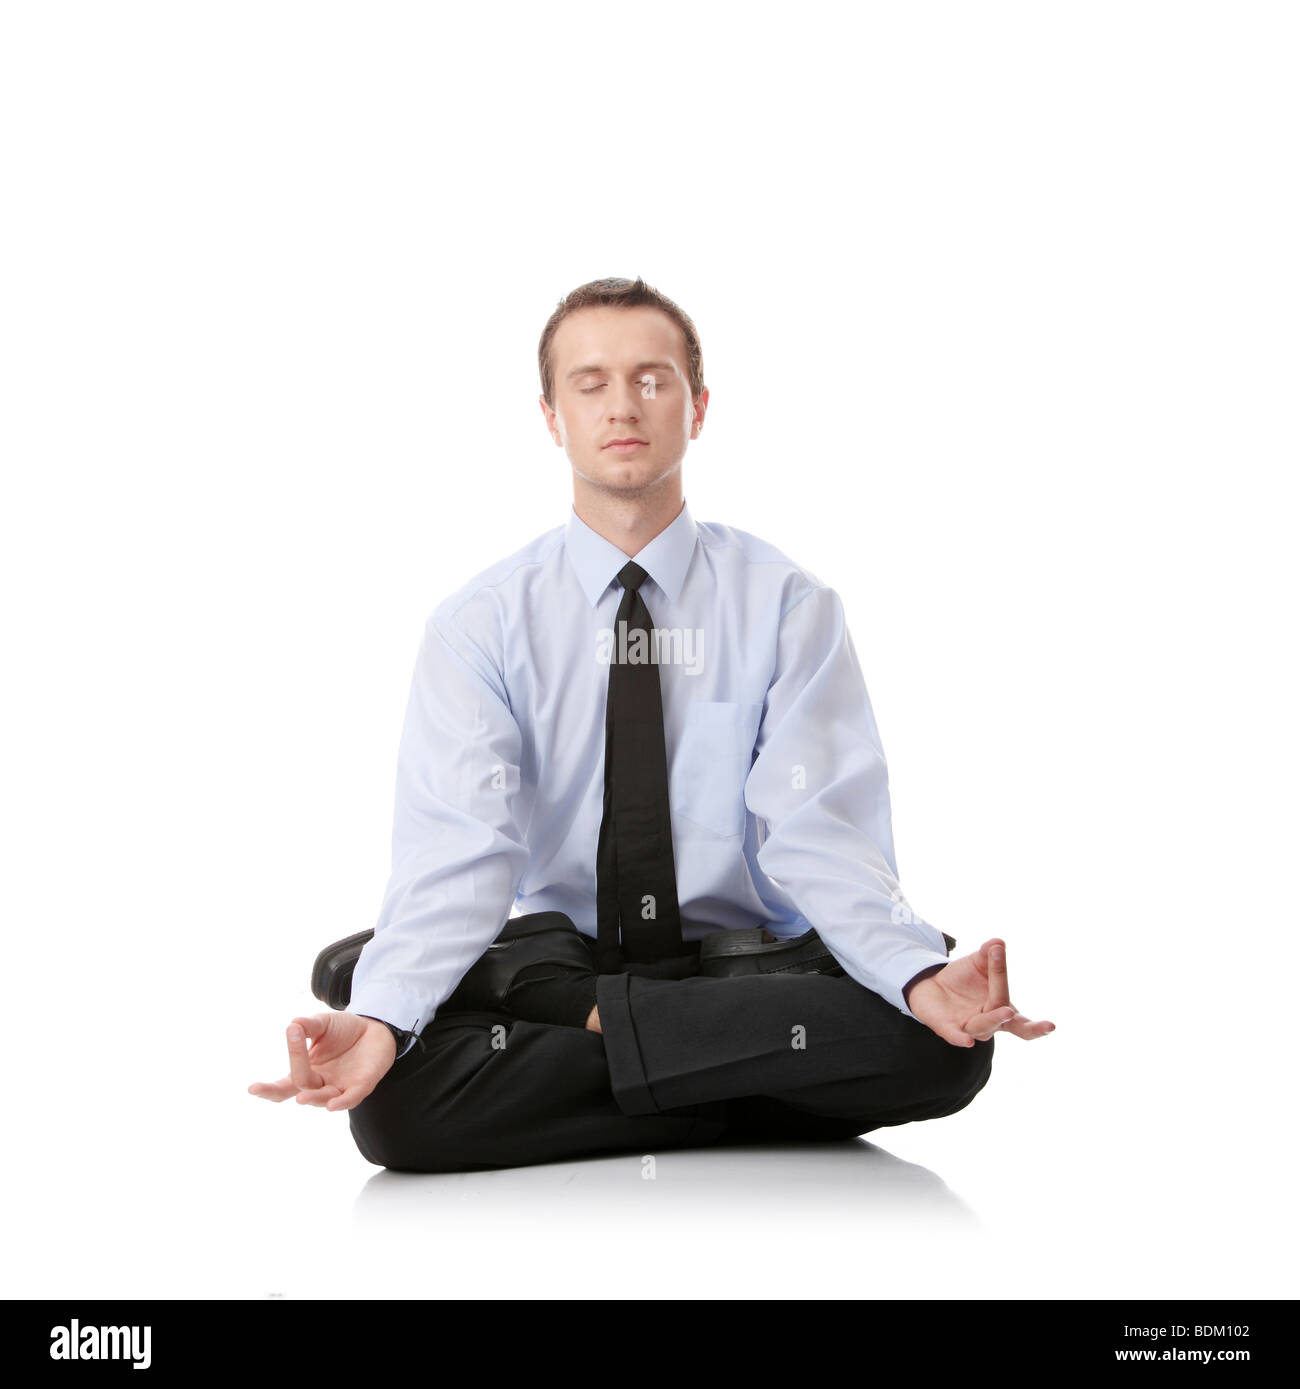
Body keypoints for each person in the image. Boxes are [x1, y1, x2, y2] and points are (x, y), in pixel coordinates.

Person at [248, 276, 1054, 1171]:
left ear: (697, 407)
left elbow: (818, 831)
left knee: (944, 1047)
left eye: (652, 378)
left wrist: (911, 973)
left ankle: (572, 1020)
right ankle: (732, 1083)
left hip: (746, 966)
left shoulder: (787, 606)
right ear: (551, 415)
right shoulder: (479, 625)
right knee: (396, 1106)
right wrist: (389, 1014)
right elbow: (461, 847)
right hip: (588, 959)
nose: (622, 405)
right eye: (589, 383)